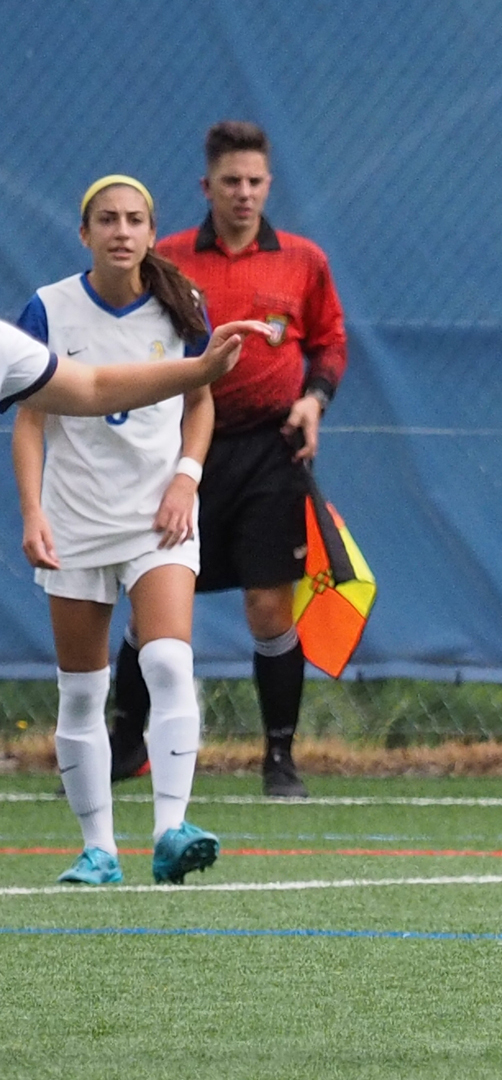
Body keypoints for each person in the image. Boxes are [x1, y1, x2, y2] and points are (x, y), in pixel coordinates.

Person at [8, 174, 270, 885]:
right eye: (106, 220)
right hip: (74, 519)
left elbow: (200, 402)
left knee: (166, 662)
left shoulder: (180, 305)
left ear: (153, 233)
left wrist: (187, 474)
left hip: (157, 517)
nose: (121, 232)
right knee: (83, 690)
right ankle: (99, 850)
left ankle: (169, 829)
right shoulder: (48, 310)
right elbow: (32, 420)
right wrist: (33, 512)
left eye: (134, 220)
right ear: (84, 232)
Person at [109, 120, 348, 798]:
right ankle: (129, 742)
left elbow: (330, 343)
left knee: (269, 607)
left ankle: (279, 758)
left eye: (255, 182)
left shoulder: (303, 260)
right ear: (206, 186)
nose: (244, 194)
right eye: (231, 182)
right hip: (182, 450)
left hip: (272, 454)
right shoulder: (170, 257)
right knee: (152, 602)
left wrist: (314, 401)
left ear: (269, 185)